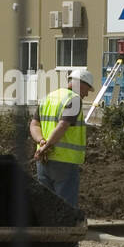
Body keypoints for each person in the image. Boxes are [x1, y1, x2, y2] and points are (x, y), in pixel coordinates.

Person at [30, 68, 94, 208]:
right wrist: (47, 146)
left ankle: (47, 229)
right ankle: (65, 229)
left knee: (47, 205)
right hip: (64, 162)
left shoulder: (49, 97)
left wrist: (41, 142)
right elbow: (63, 125)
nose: (87, 93)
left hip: (43, 160)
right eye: (87, 89)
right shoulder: (74, 100)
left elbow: (34, 125)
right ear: (81, 85)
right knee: (65, 207)